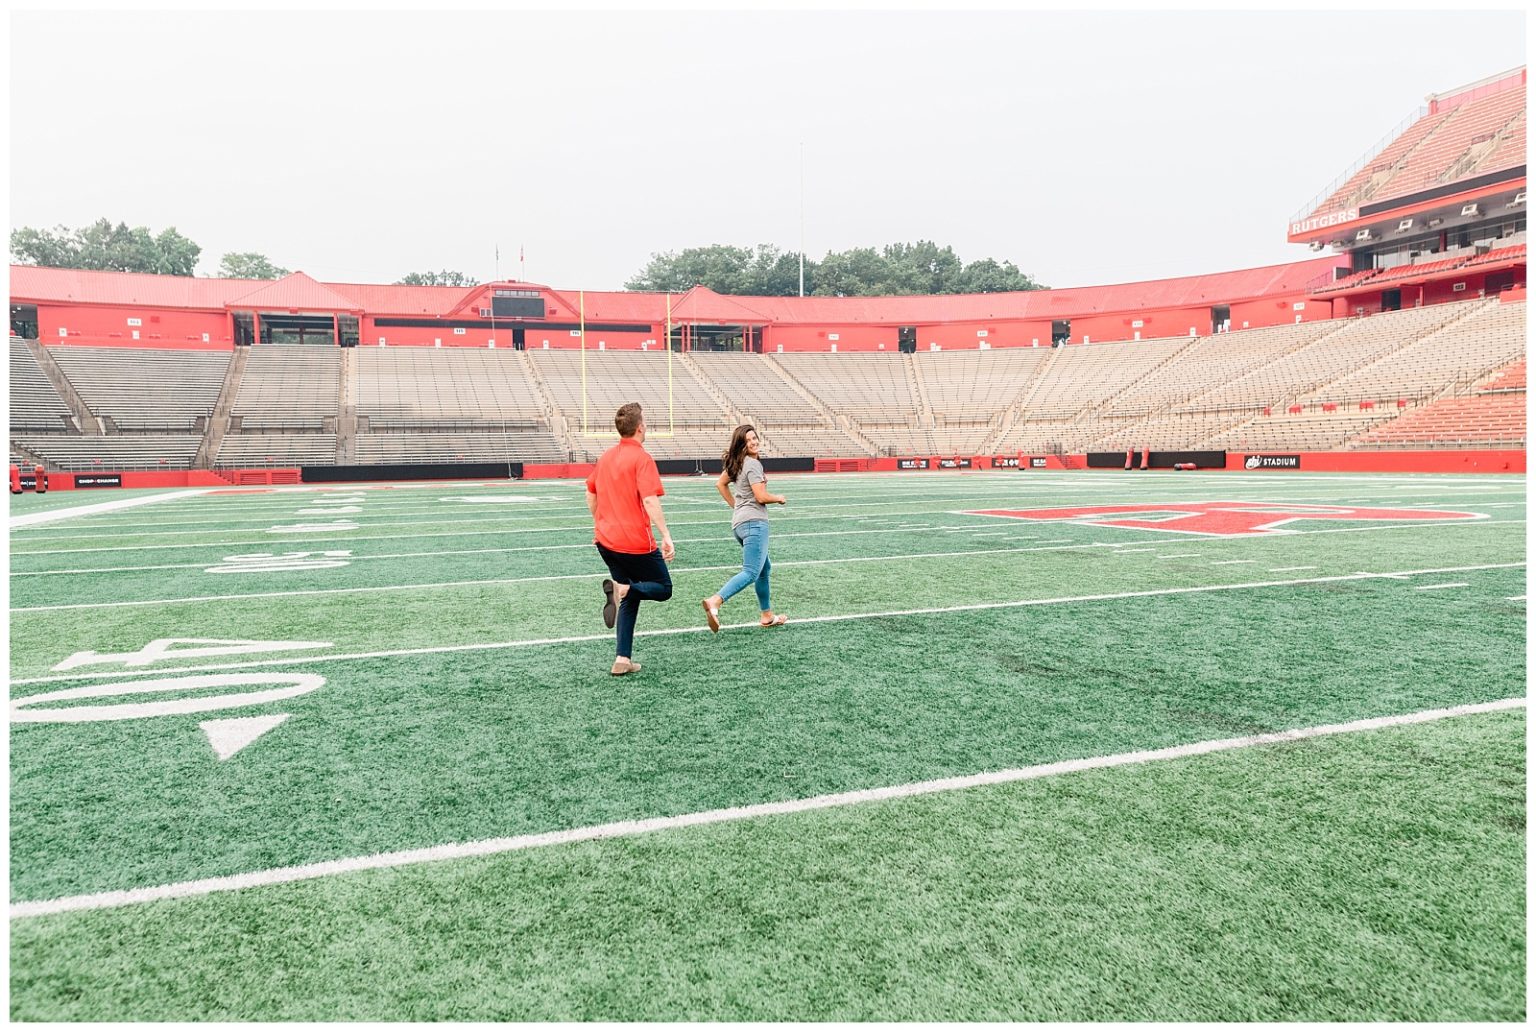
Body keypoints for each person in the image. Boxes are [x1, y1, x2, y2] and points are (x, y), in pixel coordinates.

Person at [586, 402, 675, 675]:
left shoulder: (606, 457)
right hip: (634, 542)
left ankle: (622, 659)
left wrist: (598, 524)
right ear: (640, 427)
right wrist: (666, 535)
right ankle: (624, 589)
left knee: (629, 592)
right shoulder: (642, 458)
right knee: (663, 587)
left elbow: (590, 494)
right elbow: (649, 499)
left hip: (606, 541)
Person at [701, 424, 787, 633]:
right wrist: (778, 498)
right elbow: (760, 496)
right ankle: (716, 601)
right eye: (748, 440)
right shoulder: (752, 465)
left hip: (739, 524)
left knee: (764, 569)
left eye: (755, 438)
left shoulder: (737, 464)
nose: (754, 442)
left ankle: (767, 615)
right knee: (750, 572)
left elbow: (720, 484)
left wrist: (737, 506)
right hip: (754, 524)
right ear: (742, 444)